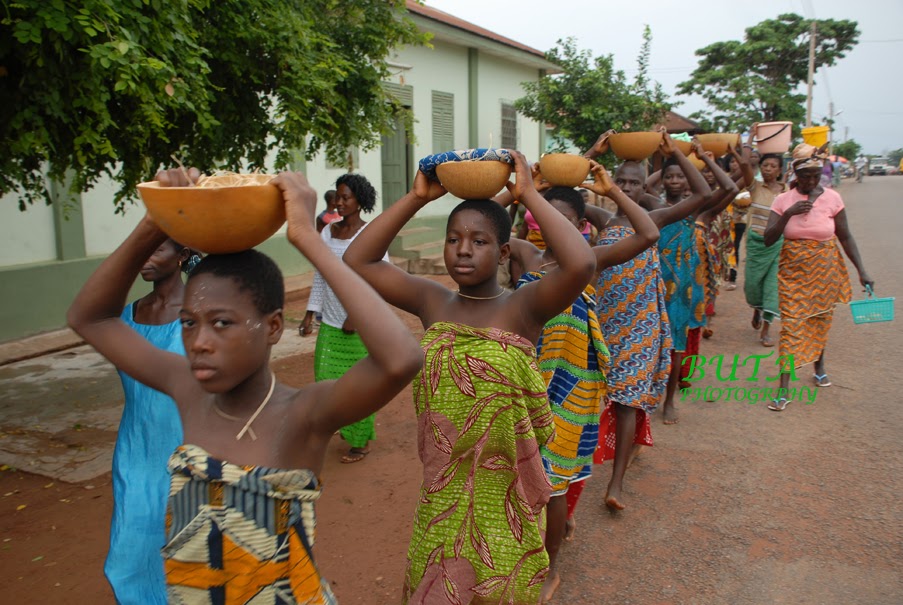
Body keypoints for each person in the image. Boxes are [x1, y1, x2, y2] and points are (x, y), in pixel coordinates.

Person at [67, 169, 423, 603]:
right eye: (188, 323)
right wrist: (156, 220)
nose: (199, 342)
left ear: (273, 327)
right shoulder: (186, 387)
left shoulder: (304, 414)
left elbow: (401, 358)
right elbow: (90, 318)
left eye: (221, 323)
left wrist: (309, 239)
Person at [344, 150, 596, 605]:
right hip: (441, 494)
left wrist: (528, 194)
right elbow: (359, 259)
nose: (463, 249)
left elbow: (581, 264)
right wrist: (417, 198)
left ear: (503, 252)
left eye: (479, 241)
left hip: (505, 498)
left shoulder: (524, 306)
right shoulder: (432, 302)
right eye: (453, 239)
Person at [505, 164, 658, 601]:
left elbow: (648, 234)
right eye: (546, 217)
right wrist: (520, 192)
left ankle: (550, 567)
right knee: (518, 473)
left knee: (553, 480)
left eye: (566, 221)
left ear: (581, 226)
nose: (555, 227)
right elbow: (490, 223)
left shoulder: (589, 261)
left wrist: (611, 190)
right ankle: (534, 536)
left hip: (572, 390)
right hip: (524, 384)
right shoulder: (526, 256)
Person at [105, 238, 194, 604]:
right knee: (129, 554)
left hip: (187, 453)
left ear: (183, 255)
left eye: (157, 250)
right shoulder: (125, 316)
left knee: (186, 550)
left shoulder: (198, 316)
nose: (146, 258)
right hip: (135, 451)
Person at [763, 144, 873, 410]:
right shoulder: (783, 200)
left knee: (819, 318)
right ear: (795, 174)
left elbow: (845, 236)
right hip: (793, 271)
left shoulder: (833, 198)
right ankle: (784, 388)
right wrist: (788, 214)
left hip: (825, 269)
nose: (811, 181)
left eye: (816, 175)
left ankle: (819, 366)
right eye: (805, 176)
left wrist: (862, 270)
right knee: (791, 324)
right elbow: (768, 239)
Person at [300, 174, 387, 463]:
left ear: (359, 201)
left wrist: (357, 315)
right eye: (337, 196)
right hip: (329, 321)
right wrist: (310, 313)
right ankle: (340, 421)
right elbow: (321, 275)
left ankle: (361, 443)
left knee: (360, 386)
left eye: (345, 197)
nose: (338, 202)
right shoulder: (328, 232)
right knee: (325, 378)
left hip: (359, 327)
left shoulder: (371, 234)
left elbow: (381, 278)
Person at [656, 137, 714, 424]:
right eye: (669, 176)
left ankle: (669, 401)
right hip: (654, 280)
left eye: (681, 176)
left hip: (681, 286)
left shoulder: (694, 208)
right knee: (651, 339)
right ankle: (648, 394)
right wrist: (661, 156)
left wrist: (685, 156)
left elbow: (727, 188)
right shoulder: (652, 205)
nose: (675, 181)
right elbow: (641, 186)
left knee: (677, 341)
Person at [740, 151, 787, 347]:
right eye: (765, 165)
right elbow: (744, 165)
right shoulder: (755, 187)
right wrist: (749, 139)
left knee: (772, 287)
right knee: (752, 286)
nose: (768, 169)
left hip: (777, 244)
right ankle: (757, 309)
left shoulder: (787, 192)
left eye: (773, 166)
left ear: (780, 170)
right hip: (755, 243)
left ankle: (766, 329)